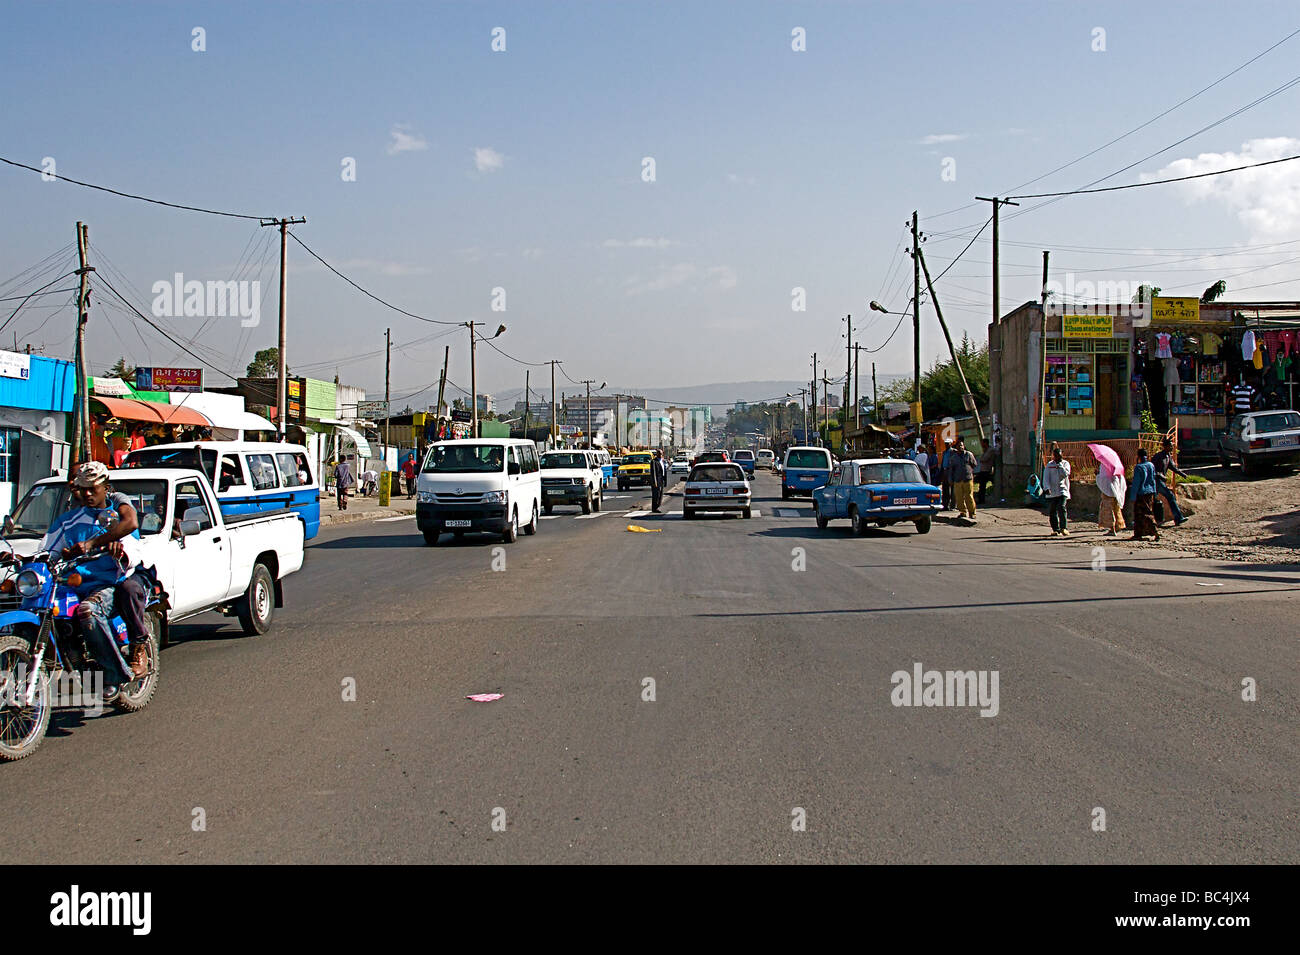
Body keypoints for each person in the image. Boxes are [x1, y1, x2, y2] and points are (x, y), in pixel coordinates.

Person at [4, 462, 146, 691]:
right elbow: (48, 550)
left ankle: (114, 673)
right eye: (83, 488)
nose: (87, 494)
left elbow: (132, 547)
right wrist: (22, 557)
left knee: (88, 610)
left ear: (105, 487)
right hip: (71, 584)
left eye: (93, 488)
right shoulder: (68, 520)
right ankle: (70, 655)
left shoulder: (116, 518)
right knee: (49, 609)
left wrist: (118, 550)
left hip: (107, 584)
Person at [1151, 437, 1188, 527]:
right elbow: (1152, 468)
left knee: (1165, 499)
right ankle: (1178, 518)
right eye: (1170, 446)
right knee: (1169, 496)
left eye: (1172, 446)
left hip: (1161, 481)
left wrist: (1182, 474)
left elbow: (1173, 468)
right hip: (1157, 481)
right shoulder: (1158, 456)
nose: (1172, 448)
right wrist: (1159, 475)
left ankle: (1177, 518)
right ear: (1165, 446)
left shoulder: (1168, 457)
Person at [1128, 449, 1160, 541]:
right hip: (1150, 492)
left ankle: (1155, 531)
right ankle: (1138, 534)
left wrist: (1133, 496)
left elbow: (1136, 483)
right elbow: (1153, 479)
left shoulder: (1138, 467)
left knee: (1145, 513)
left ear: (1138, 456)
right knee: (1140, 514)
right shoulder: (1151, 465)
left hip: (1141, 493)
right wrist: (1154, 492)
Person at [1042, 444, 1072, 537]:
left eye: (1059, 455)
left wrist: (1060, 465)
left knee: (1062, 507)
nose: (1057, 457)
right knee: (1052, 511)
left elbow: (1065, 474)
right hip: (1052, 492)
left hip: (1062, 490)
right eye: (1056, 455)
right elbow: (1046, 477)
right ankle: (1056, 529)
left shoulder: (1065, 464)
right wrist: (1046, 488)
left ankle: (1064, 528)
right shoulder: (1049, 465)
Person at [948, 437, 979, 522]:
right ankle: (962, 512)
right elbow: (951, 470)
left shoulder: (969, 454)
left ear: (964, 446)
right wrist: (950, 480)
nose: (960, 447)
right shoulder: (953, 458)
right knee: (959, 497)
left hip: (967, 479)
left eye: (961, 445)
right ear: (956, 447)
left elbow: (974, 464)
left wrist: (970, 472)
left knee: (969, 496)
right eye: (959, 446)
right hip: (957, 480)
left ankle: (972, 513)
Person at [1096, 464, 1127, 537]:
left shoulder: (1104, 466)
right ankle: (1118, 526)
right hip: (1117, 491)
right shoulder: (1117, 466)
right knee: (1116, 509)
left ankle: (1112, 529)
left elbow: (1104, 479)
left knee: (1109, 511)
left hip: (1108, 491)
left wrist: (1097, 475)